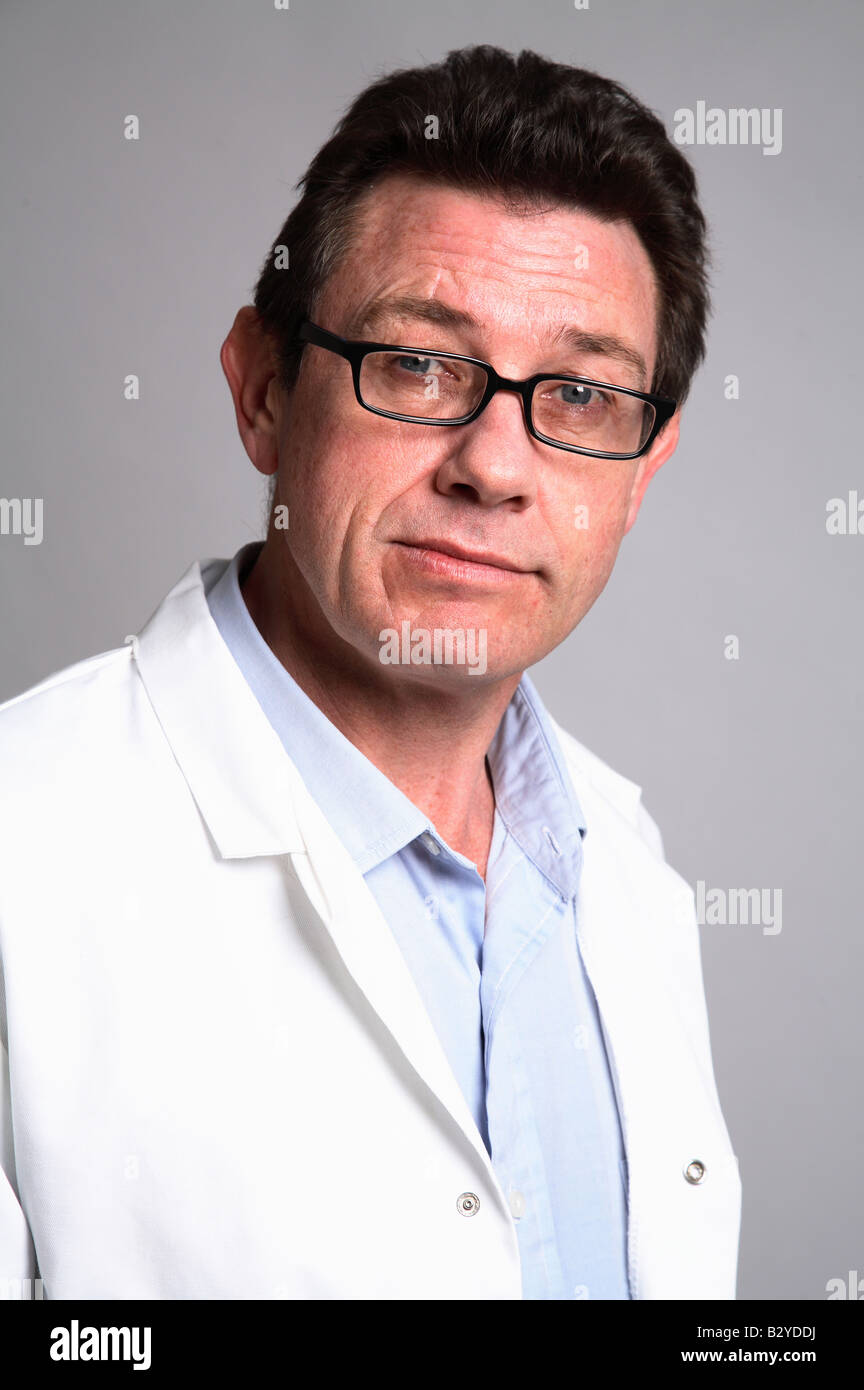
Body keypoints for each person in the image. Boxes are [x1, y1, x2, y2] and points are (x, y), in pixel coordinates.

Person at [0, 45, 740, 1301]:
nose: (494, 465)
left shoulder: (626, 872)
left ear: (642, 469)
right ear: (262, 391)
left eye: (575, 394)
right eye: (418, 365)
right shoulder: (30, 843)